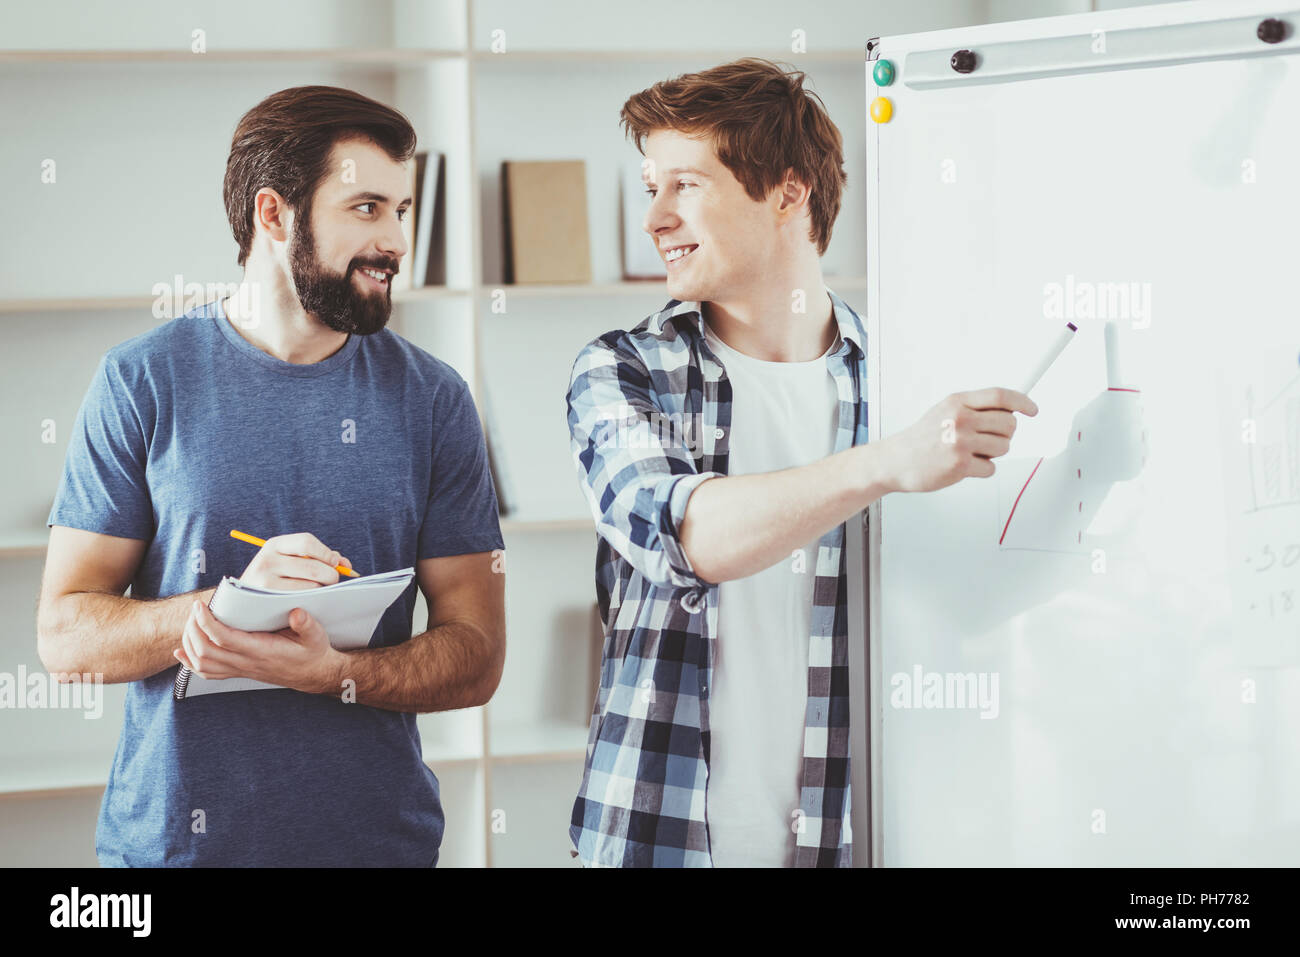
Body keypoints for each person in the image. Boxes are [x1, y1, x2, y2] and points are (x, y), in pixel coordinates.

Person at [565, 58, 1037, 867]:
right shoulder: (620, 371)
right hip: (659, 838)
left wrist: (1085, 490)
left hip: (855, 834)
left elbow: (968, 604)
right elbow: (687, 535)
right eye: (651, 187)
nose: (654, 218)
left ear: (787, 192)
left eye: (684, 185)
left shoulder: (901, 379)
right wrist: (886, 463)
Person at [37, 86, 506, 867]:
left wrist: (336, 673)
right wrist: (223, 610)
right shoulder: (142, 381)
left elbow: (478, 652)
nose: (394, 240)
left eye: (402, 209)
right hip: (170, 854)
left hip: (376, 849)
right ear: (274, 214)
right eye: (365, 208)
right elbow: (64, 639)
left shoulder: (434, 399)